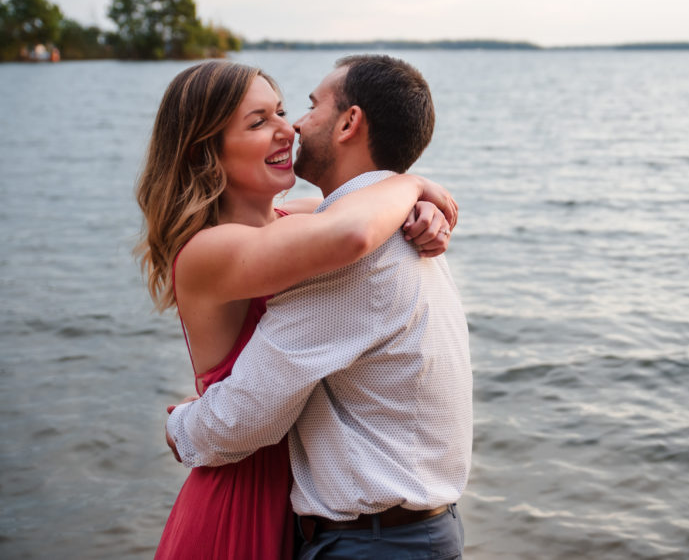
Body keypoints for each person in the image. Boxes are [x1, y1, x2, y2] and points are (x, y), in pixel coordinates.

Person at [137, 60, 457, 560]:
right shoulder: (207, 250)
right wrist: (410, 186)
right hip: (239, 490)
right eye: (259, 121)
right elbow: (351, 229)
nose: (289, 129)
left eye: (285, 111)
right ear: (207, 151)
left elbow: (352, 210)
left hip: (301, 498)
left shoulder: (294, 219)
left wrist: (420, 202)